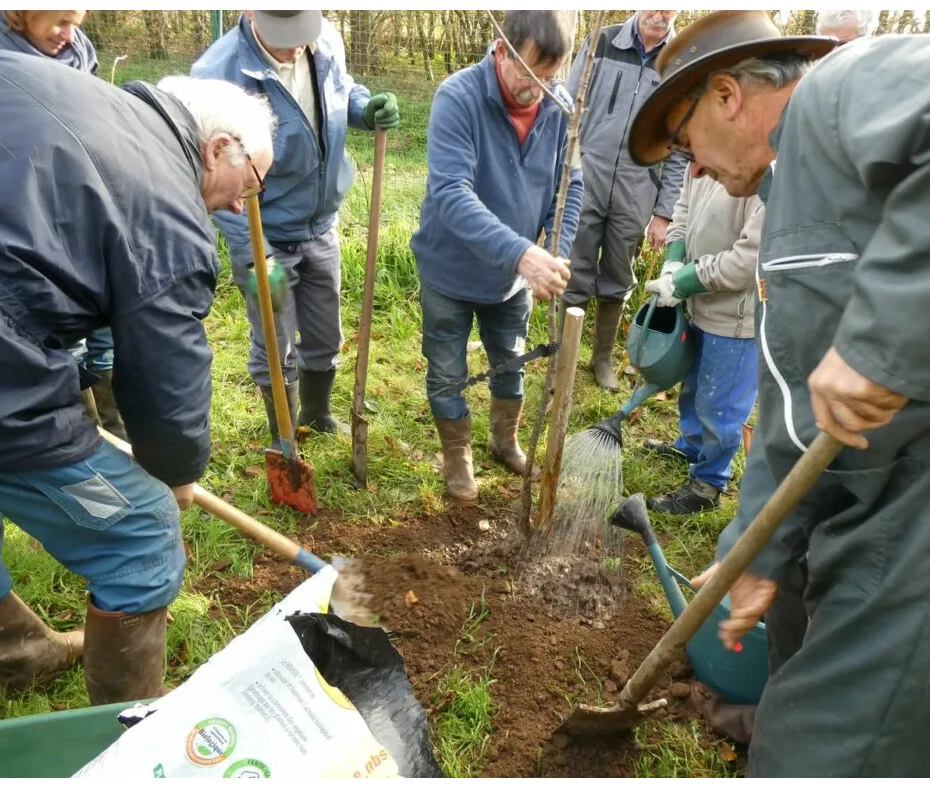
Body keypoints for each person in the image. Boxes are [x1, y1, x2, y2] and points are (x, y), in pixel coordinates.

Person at [628, 10, 930, 777]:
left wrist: (884, 339)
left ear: (726, 96)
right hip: (869, 498)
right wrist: (754, 552)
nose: (690, 169)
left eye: (683, 140)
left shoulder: (837, 92)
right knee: (791, 668)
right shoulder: (789, 194)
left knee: (835, 751)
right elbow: (788, 401)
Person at [0, 48, 276, 706]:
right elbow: (166, 371)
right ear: (219, 147)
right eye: (248, 184)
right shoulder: (167, 209)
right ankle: (128, 727)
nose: (237, 206)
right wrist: (174, 475)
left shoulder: (22, 74)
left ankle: (19, 655)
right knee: (139, 531)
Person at [191, 10, 400, 442]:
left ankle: (316, 414)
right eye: (282, 34)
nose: (294, 46)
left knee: (326, 331)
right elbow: (219, 189)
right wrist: (256, 256)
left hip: (320, 225)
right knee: (273, 336)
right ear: (251, 11)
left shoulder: (323, 41)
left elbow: (341, 93)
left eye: (301, 32)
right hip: (263, 232)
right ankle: (282, 432)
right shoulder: (217, 74)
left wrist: (365, 109)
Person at [410, 10, 583, 504]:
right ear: (500, 48)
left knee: (512, 361)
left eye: (550, 77)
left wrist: (554, 252)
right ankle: (457, 457)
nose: (537, 89)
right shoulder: (458, 97)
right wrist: (522, 254)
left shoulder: (560, 105)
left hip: (513, 281)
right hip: (450, 271)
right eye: (529, 74)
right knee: (446, 368)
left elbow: (570, 189)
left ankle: (504, 440)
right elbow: (451, 192)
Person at [0, 9, 129, 441]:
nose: (70, 33)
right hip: (23, 218)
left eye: (76, 20)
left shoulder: (77, 47)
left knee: (105, 324)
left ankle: (117, 425)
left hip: (81, 204)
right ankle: (87, 426)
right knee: (64, 334)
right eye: (59, 21)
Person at [562, 11, 692, 392]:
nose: (660, 13)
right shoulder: (601, 41)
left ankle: (601, 359)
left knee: (619, 273)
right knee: (575, 269)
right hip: (586, 177)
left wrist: (665, 212)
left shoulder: (682, 60)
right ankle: (563, 358)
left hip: (639, 186)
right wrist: (567, 173)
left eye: (670, 7)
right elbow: (570, 109)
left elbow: (680, 147)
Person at [640, 170, 764, 514]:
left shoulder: (765, 176)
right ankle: (693, 447)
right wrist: (674, 261)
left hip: (737, 319)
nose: (693, 165)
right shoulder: (700, 158)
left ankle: (708, 483)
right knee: (694, 387)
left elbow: (746, 263)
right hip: (700, 303)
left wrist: (685, 280)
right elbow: (682, 210)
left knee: (720, 407)